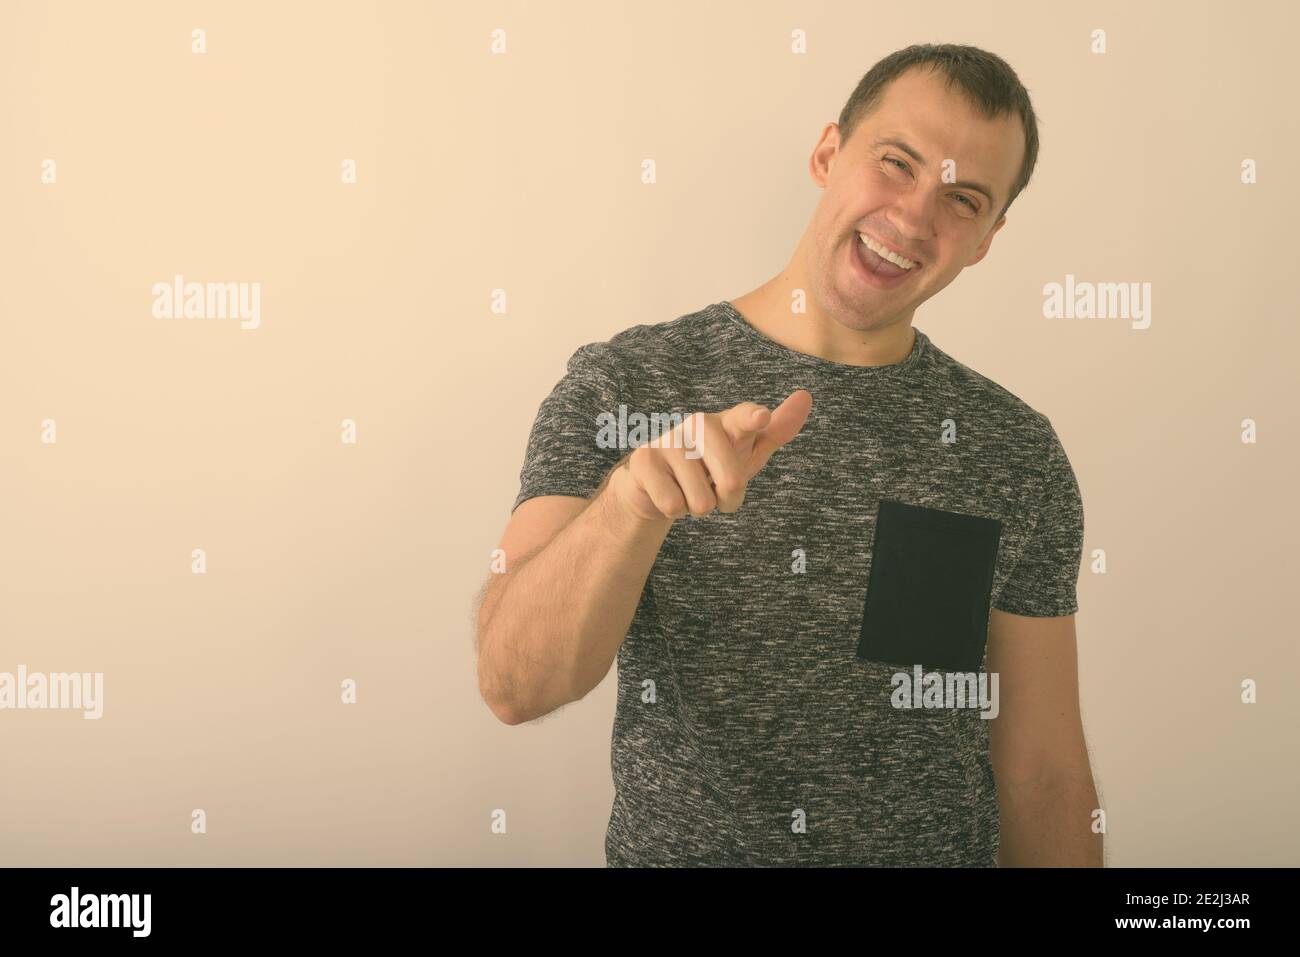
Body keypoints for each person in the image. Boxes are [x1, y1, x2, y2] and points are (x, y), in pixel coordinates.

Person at [474, 43, 1103, 867]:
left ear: (987, 238)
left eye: (962, 198)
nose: (914, 218)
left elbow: (1044, 773)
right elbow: (515, 685)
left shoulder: (1014, 451)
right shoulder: (624, 385)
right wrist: (631, 504)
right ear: (827, 152)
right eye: (895, 163)